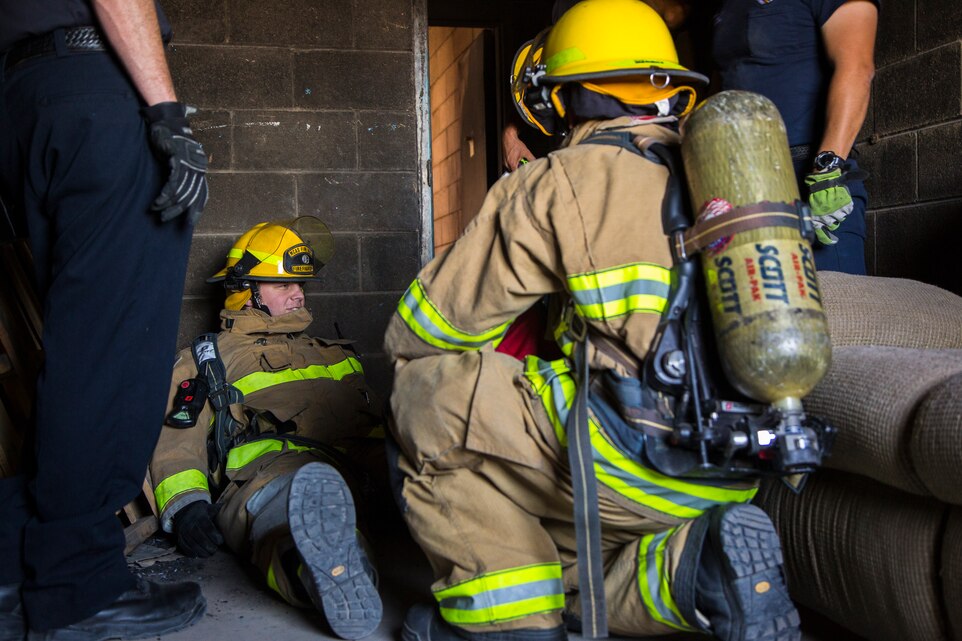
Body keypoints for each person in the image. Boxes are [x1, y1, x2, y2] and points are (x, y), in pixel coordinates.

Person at [386, 2, 799, 641]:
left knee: (423, 392)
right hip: (736, 469)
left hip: (629, 455)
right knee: (573, 559)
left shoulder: (563, 177)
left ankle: (511, 623)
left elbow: (428, 330)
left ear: (562, 99)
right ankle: (700, 568)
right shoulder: (730, 177)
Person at [0, 0, 209, 639]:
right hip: (94, 90)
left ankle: (14, 564)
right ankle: (79, 587)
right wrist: (167, 113)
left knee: (77, 351)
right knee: (113, 354)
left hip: (21, 100)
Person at [149, 218, 384, 640]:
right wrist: (187, 505)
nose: (299, 294)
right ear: (246, 290)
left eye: (300, 285)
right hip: (277, 473)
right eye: (283, 285)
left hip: (364, 465)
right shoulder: (210, 357)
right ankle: (327, 574)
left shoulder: (330, 350)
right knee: (299, 515)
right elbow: (177, 438)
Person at [710, 0, 879, 274]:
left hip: (809, 180)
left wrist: (828, 169)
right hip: (743, 184)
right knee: (753, 299)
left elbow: (856, 67)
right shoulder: (726, 7)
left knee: (835, 298)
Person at [502, 0, 693, 172]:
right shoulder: (566, 8)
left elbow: (674, 13)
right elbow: (550, 74)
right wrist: (511, 135)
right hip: (581, 131)